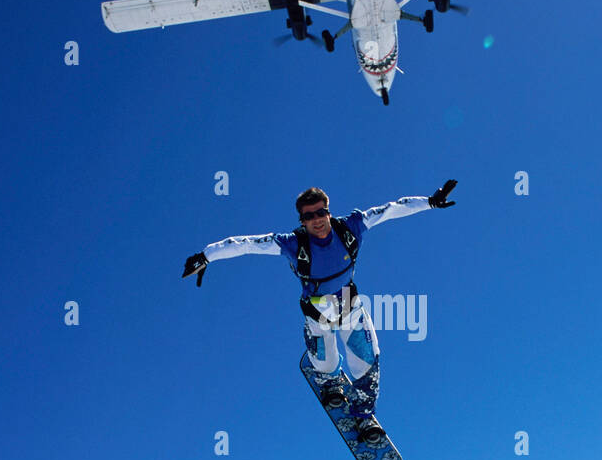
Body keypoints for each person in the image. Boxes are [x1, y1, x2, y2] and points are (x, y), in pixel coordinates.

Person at [183, 181, 457, 443]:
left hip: (350, 305)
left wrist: (430, 202)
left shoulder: (351, 227)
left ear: (329, 209)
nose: (317, 219)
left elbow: (391, 209)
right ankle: (330, 382)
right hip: (317, 313)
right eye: (309, 215)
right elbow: (246, 244)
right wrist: (206, 255)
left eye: (321, 212)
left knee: (367, 360)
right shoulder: (292, 244)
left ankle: (364, 417)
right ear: (301, 219)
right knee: (325, 363)